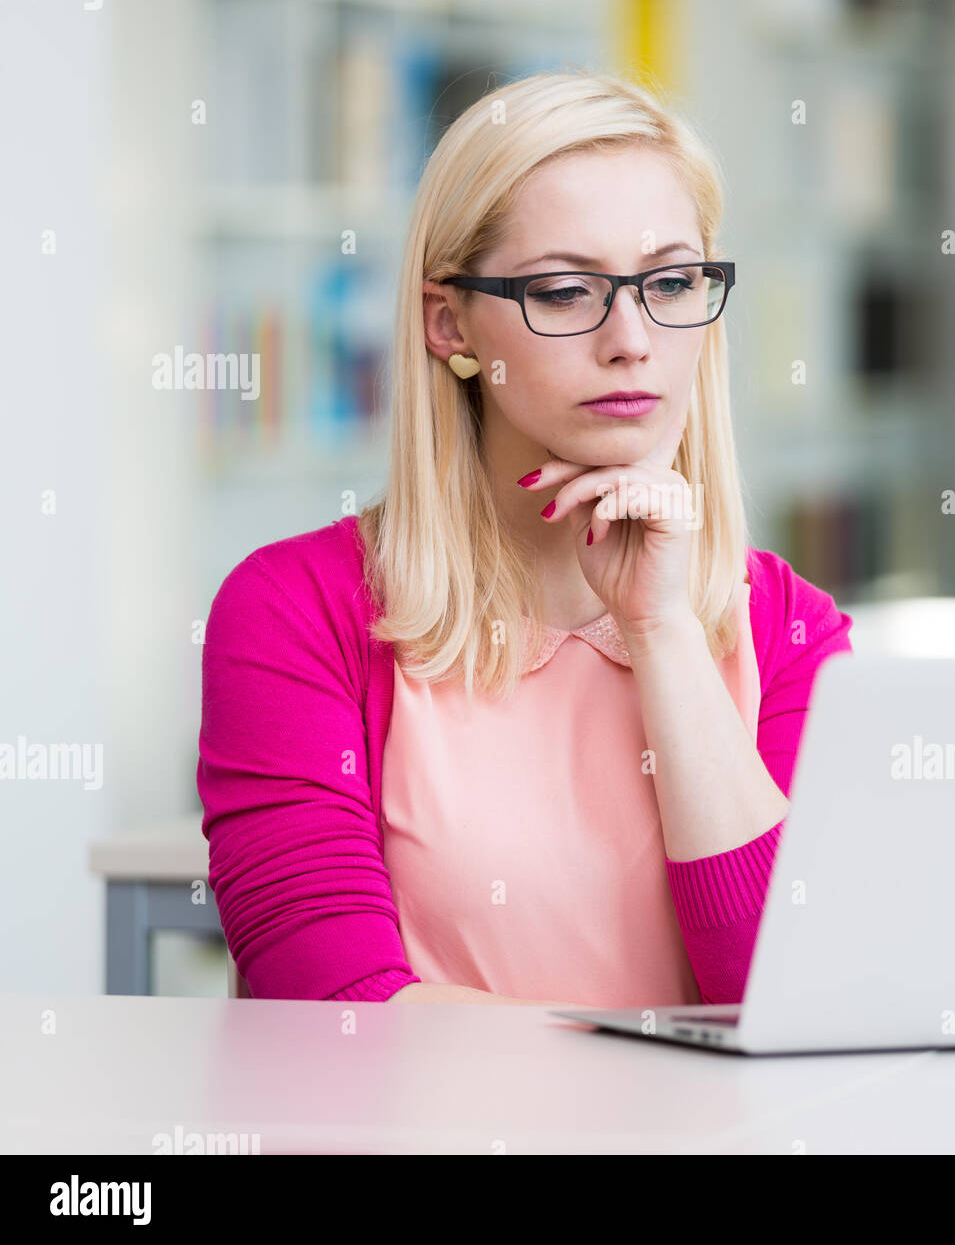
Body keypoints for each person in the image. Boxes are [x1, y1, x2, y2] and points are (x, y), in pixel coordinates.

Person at [196, 69, 854, 1007]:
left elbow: (789, 997)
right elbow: (335, 1011)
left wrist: (661, 632)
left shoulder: (791, 627)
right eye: (562, 290)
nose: (630, 338)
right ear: (446, 322)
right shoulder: (295, 610)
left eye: (669, 281)